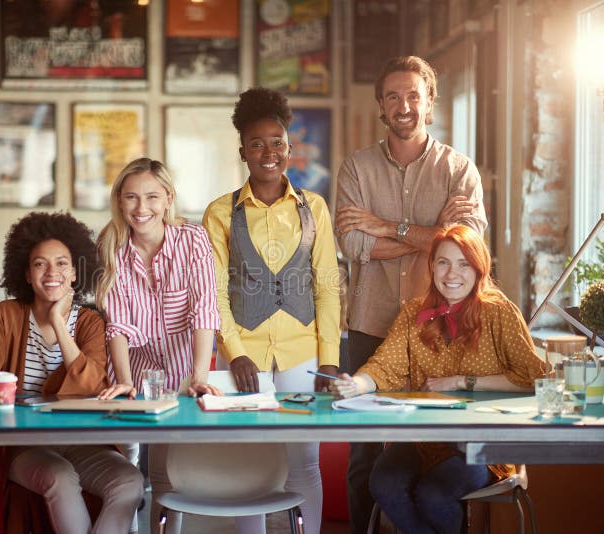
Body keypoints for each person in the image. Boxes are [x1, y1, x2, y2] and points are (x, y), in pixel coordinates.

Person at [335, 55, 488, 533]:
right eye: (394, 96)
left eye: (413, 95)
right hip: (368, 326)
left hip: (438, 329)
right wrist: (434, 234)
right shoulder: (356, 168)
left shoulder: (459, 170)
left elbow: (467, 245)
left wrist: (386, 228)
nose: (404, 105)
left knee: (439, 442)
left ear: (430, 102)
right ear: (381, 104)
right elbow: (353, 245)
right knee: (362, 453)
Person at [332, 225, 545, 533]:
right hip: (424, 440)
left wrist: (463, 381)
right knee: (383, 483)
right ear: (431, 266)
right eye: (443, 262)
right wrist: (356, 384)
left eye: (463, 263)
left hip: (481, 445)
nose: (451, 273)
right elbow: (384, 366)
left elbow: (535, 378)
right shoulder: (414, 313)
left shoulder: (499, 312)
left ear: (479, 267)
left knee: (434, 495)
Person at [202, 87, 341, 534]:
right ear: (242, 150)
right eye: (257, 143)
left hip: (303, 355)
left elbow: (327, 288)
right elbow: (215, 292)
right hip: (245, 357)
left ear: (290, 147)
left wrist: (330, 360)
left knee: (304, 461)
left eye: (277, 141)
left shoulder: (314, 207)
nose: (268, 152)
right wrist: (235, 351)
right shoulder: (220, 212)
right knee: (252, 463)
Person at [0, 212, 143, 534]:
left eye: (62, 263)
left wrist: (60, 324)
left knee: (129, 481)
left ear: (76, 272)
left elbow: (93, 384)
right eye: (40, 264)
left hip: (83, 442)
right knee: (59, 477)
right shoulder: (4, 316)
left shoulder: (91, 322)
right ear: (25, 272)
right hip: (25, 444)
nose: (52, 273)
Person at [95, 157, 221, 533]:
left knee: (167, 475)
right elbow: (116, 322)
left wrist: (198, 375)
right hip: (132, 371)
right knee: (126, 468)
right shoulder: (110, 243)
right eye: (131, 197)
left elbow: (204, 309)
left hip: (183, 375)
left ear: (168, 198)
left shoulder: (193, 239)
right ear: (119, 201)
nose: (141, 208)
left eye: (151, 196)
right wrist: (123, 381)